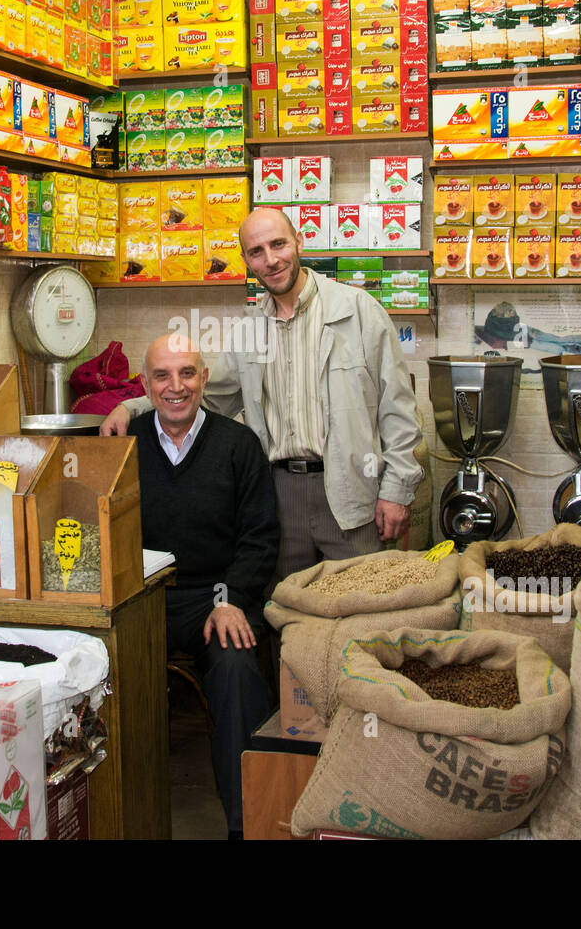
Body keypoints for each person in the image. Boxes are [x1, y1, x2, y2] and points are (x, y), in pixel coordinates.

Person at [102, 206, 424, 581]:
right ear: (246, 261)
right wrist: (134, 406)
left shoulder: (358, 312)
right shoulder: (249, 331)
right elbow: (205, 396)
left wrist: (397, 490)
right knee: (283, 613)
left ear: (298, 241)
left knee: (361, 612)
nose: (271, 260)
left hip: (353, 493)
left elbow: (398, 409)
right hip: (279, 497)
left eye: (278, 244)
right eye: (257, 251)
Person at [131, 333, 280, 841]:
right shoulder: (125, 444)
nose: (176, 387)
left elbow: (260, 537)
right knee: (97, 672)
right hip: (141, 597)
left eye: (188, 373)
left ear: (205, 379)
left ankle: (250, 824)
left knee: (237, 669)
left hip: (214, 597)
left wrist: (233, 600)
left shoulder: (238, 445)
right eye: (163, 375)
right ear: (145, 384)